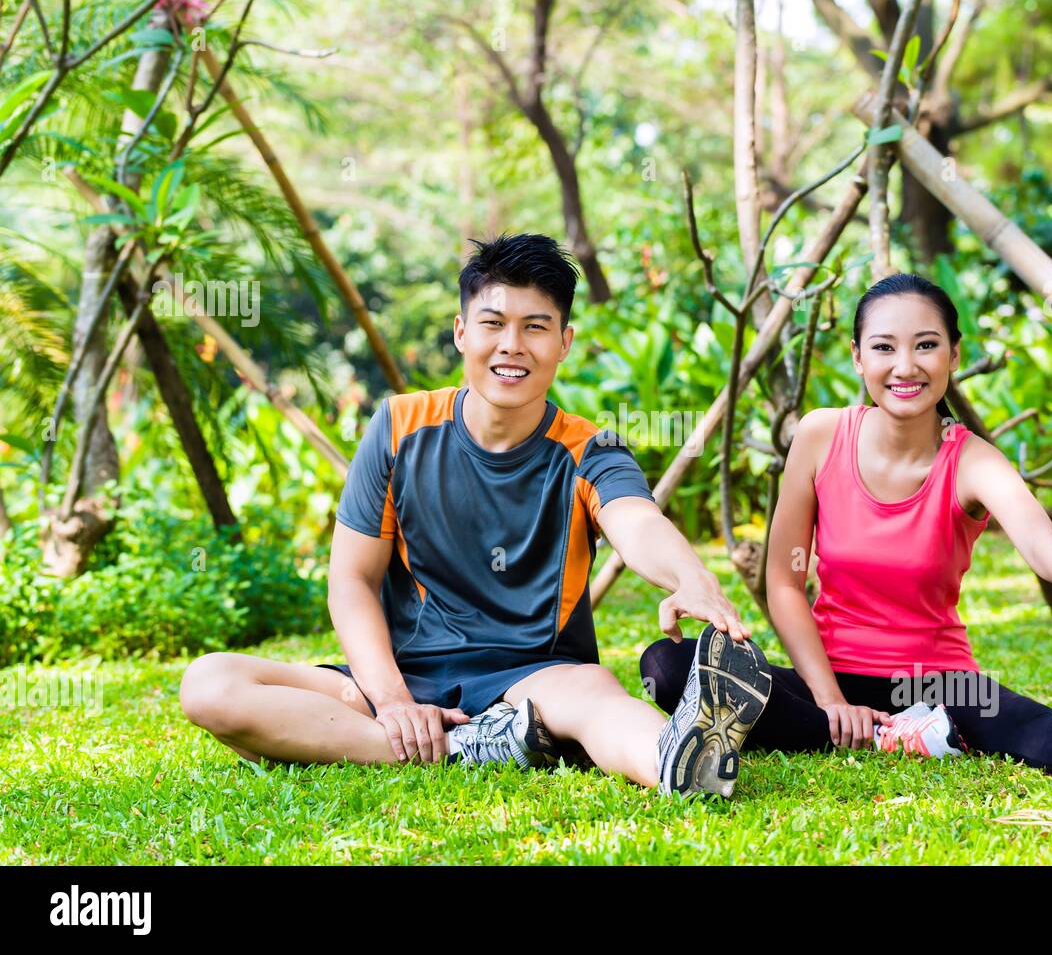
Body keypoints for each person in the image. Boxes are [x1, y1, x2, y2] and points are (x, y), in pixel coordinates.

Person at [181, 233, 772, 797]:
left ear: (564, 343)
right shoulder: (397, 427)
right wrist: (392, 701)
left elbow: (636, 520)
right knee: (210, 684)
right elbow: (352, 580)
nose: (512, 345)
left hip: (534, 680)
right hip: (398, 677)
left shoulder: (592, 450)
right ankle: (463, 746)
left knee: (597, 700)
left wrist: (689, 577)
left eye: (535, 328)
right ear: (462, 333)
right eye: (493, 324)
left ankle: (678, 762)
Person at [641, 273, 1052, 789]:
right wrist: (832, 700)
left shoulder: (973, 462)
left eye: (926, 345)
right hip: (827, 678)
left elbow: (1043, 545)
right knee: (667, 667)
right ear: (859, 358)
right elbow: (785, 584)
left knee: (1006, 716)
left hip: (936, 686)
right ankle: (881, 734)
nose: (905, 366)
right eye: (884, 347)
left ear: (954, 356)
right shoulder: (819, 438)